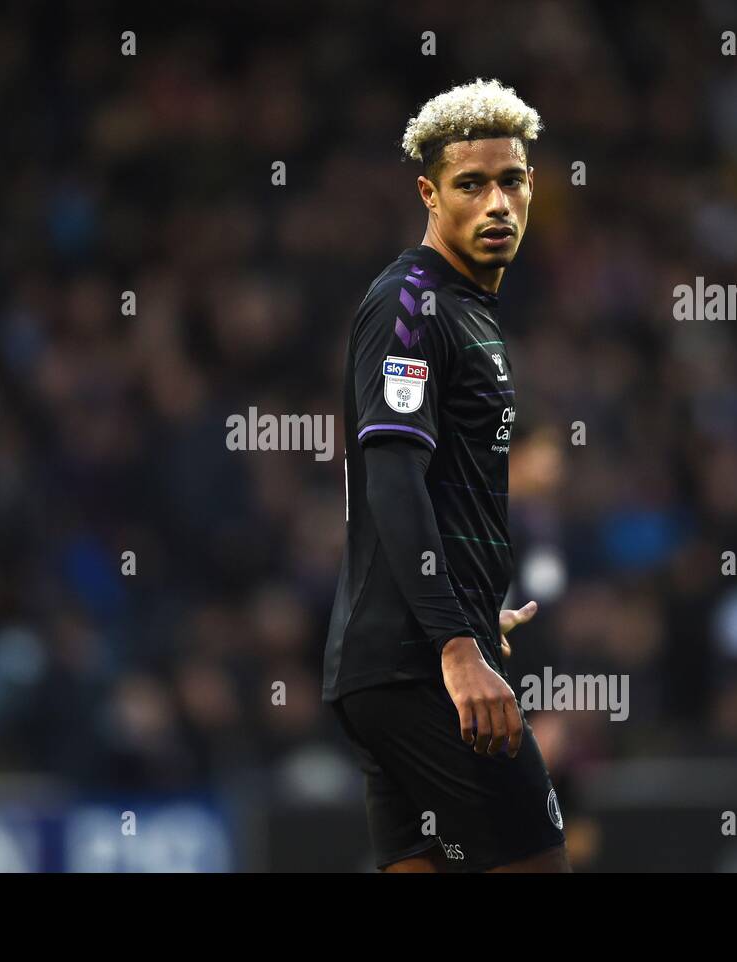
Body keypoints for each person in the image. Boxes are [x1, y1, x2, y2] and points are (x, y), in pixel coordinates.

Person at [323, 78, 570, 873]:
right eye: (472, 184)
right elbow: (391, 477)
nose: (498, 202)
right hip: (419, 666)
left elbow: (437, 489)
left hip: (402, 660)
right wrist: (457, 646)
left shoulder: (469, 310)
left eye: (513, 180)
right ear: (431, 193)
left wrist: (469, 606)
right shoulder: (411, 301)